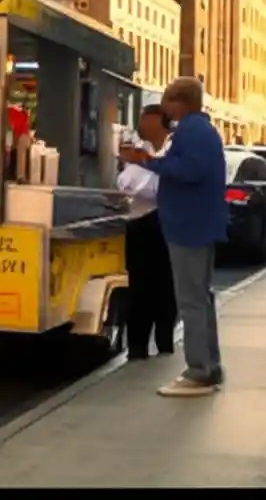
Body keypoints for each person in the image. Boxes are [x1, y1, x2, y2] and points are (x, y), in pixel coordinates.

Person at [118, 77, 227, 397]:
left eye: (167, 101)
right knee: (201, 298)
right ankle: (210, 365)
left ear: (178, 102)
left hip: (188, 225)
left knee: (191, 300)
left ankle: (198, 370)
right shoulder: (201, 132)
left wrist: (147, 162)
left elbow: (188, 171)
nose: (164, 108)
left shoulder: (192, 132)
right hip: (198, 223)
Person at [116, 105, 178, 360]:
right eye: (142, 121)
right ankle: (137, 346)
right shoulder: (138, 150)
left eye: (149, 121)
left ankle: (165, 342)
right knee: (139, 287)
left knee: (166, 287)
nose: (143, 126)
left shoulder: (172, 151)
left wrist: (146, 174)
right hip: (139, 223)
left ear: (162, 125)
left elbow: (159, 187)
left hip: (164, 223)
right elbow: (124, 183)